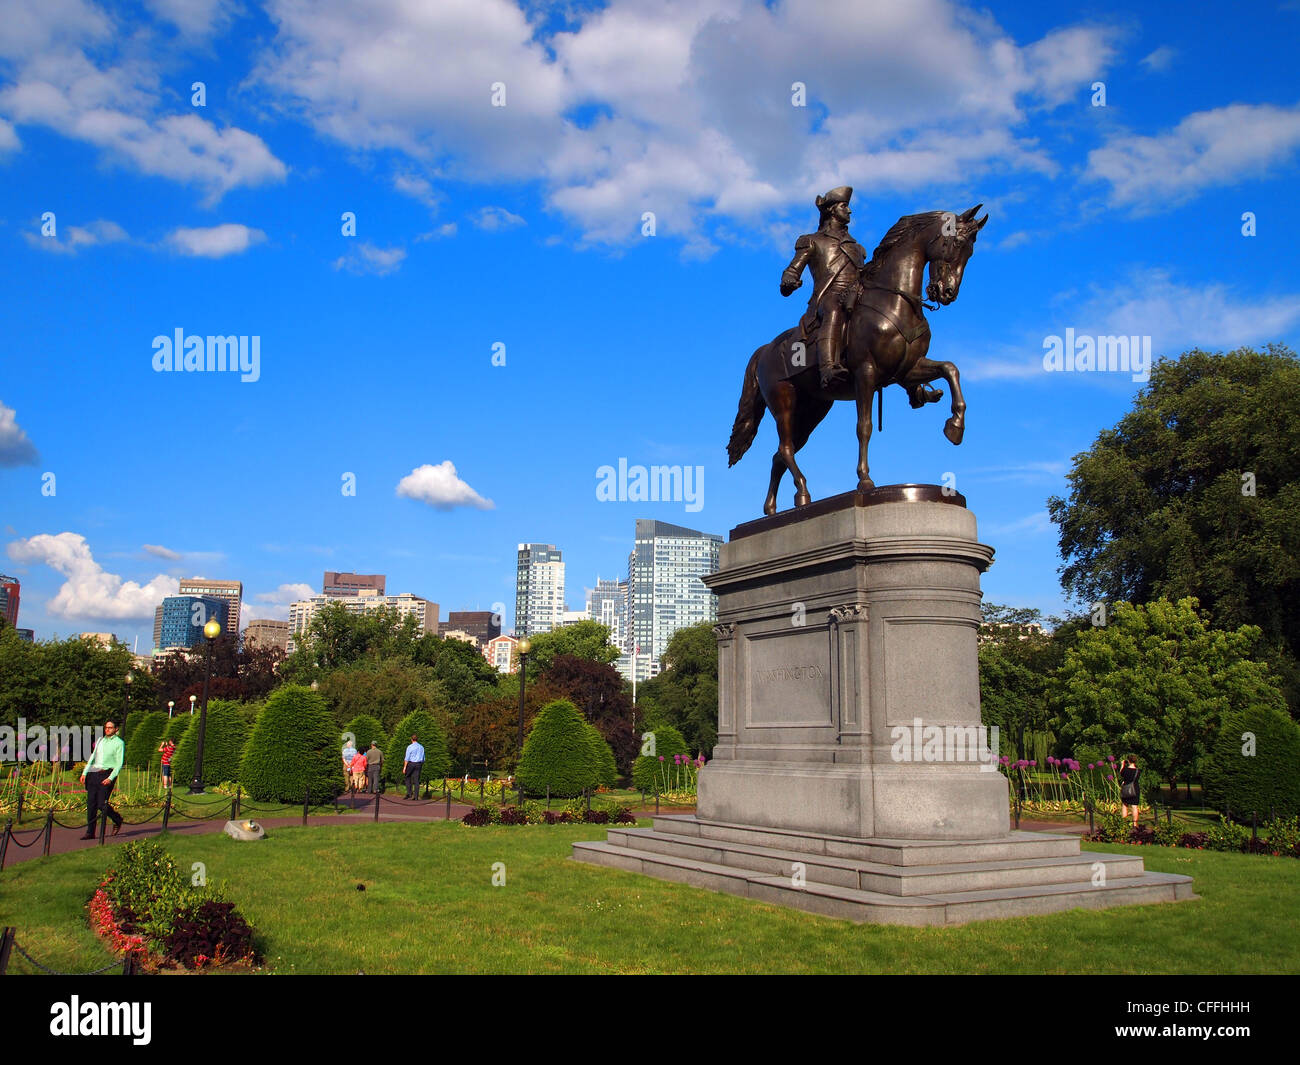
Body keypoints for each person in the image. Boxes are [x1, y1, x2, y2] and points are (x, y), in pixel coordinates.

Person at [780, 186, 868, 388]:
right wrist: (789, 281)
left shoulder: (857, 247)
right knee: (833, 309)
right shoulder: (812, 240)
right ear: (831, 210)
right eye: (844, 206)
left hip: (856, 295)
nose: (849, 211)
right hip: (828, 296)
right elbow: (792, 270)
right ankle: (828, 367)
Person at [81, 719, 125, 840]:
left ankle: (117, 819)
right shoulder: (100, 740)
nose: (107, 729)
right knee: (91, 804)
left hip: (107, 773)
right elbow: (92, 757)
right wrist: (85, 772)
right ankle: (90, 832)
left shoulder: (119, 743)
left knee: (101, 804)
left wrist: (110, 778)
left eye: (110, 728)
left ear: (116, 729)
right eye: (106, 727)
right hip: (94, 772)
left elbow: (119, 763)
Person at [1119, 755, 1141, 828]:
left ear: (1128, 761)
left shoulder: (1125, 770)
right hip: (1135, 788)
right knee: (1134, 806)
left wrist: (1122, 764)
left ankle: (1124, 822)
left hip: (1126, 788)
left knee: (1125, 805)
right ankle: (1135, 824)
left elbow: (1121, 773)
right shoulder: (1138, 771)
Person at [403, 734, 425, 799]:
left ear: (411, 739)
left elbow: (407, 758)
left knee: (407, 777)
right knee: (416, 780)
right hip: (419, 763)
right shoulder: (421, 747)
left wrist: (404, 767)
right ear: (417, 739)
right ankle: (416, 796)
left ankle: (409, 793)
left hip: (411, 763)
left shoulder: (410, 747)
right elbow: (423, 758)